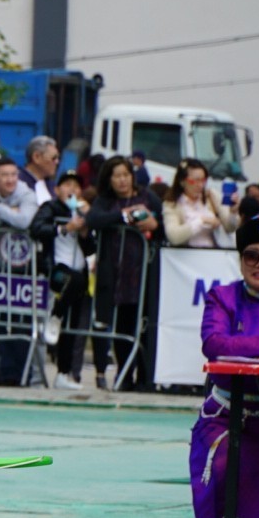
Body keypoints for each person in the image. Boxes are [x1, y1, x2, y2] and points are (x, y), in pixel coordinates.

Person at [188, 211, 259, 518]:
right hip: (228, 415)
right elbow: (214, 343)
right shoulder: (221, 297)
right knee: (224, 462)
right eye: (252, 255)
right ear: (240, 259)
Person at [85, 154, 162, 391]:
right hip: (115, 273)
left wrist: (154, 225)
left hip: (144, 270)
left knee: (145, 324)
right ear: (108, 180)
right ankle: (124, 374)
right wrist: (122, 216)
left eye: (125, 175)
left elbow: (163, 227)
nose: (122, 181)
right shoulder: (104, 201)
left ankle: (146, 377)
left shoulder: (148, 197)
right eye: (116, 176)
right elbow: (93, 220)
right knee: (122, 325)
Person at [31, 171, 94, 390]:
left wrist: (87, 227)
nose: (72, 190)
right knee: (74, 281)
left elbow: (92, 247)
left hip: (78, 272)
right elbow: (36, 229)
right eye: (67, 185)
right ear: (57, 190)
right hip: (57, 271)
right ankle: (55, 314)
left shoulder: (83, 211)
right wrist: (65, 228)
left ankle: (63, 373)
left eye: (76, 187)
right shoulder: (50, 208)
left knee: (72, 325)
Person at [163, 158, 235, 249]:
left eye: (203, 181)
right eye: (195, 181)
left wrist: (233, 212)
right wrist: (201, 221)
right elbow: (173, 236)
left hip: (214, 254)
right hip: (187, 257)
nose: (200, 185)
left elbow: (231, 227)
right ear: (182, 182)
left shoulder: (211, 196)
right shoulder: (172, 204)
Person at [21, 135, 59, 205]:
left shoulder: (53, 186)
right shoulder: (18, 184)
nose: (57, 162)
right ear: (36, 157)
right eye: (53, 158)